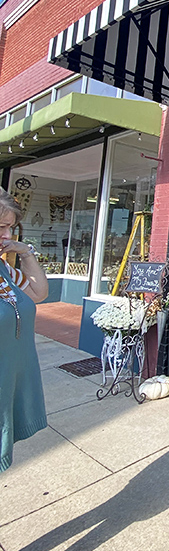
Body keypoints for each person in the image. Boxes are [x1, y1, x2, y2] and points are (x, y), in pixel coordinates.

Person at [0, 187, 49, 471]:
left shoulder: (5, 272)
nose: (7, 235)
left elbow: (38, 292)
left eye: (10, 227)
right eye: (1, 227)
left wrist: (26, 252)